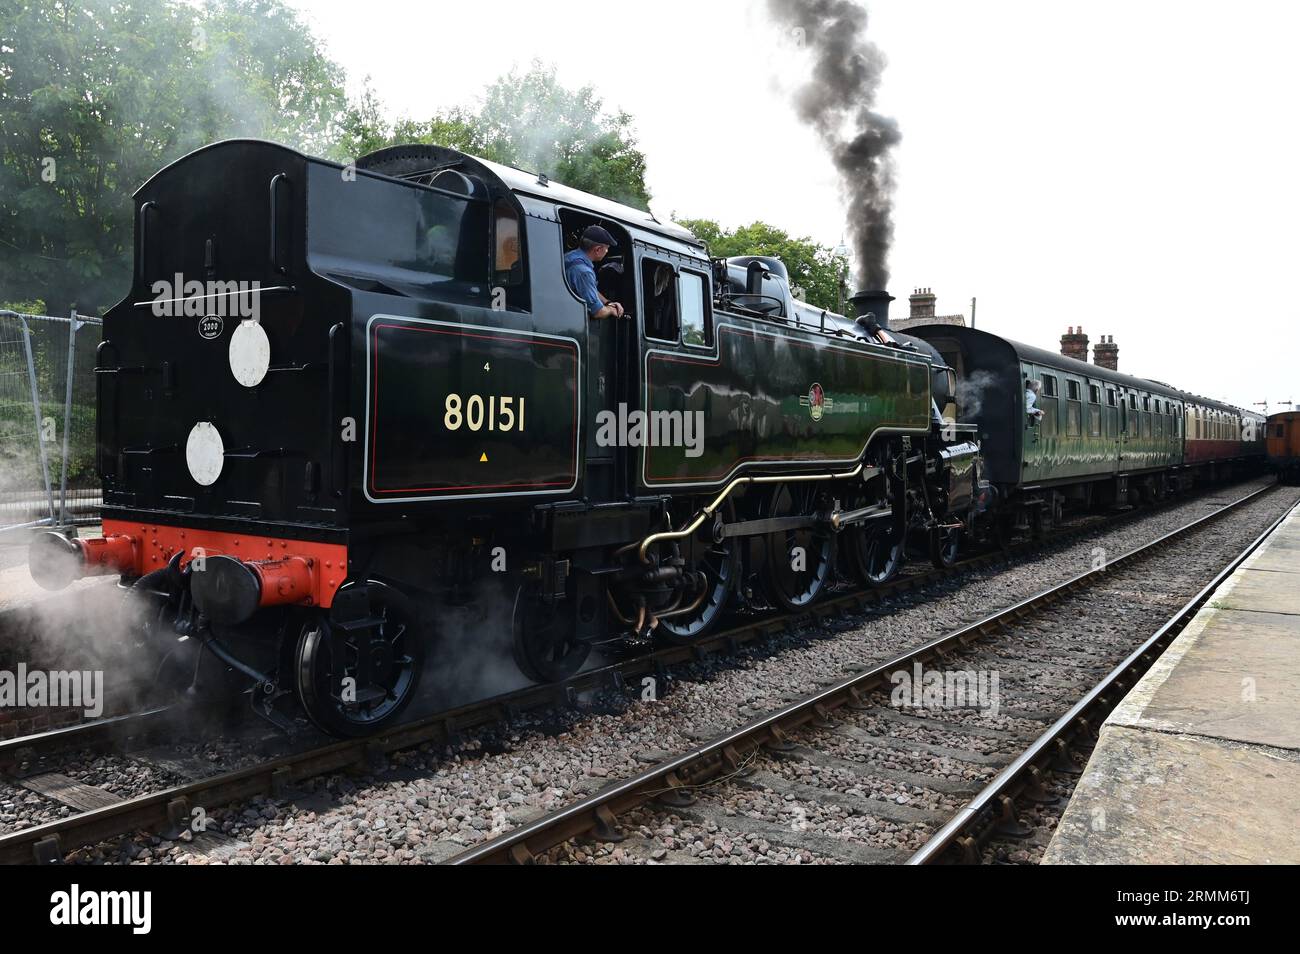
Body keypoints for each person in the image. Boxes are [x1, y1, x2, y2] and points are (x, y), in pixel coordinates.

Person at [564, 225, 626, 319]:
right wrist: (611, 310)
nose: (607, 251)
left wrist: (607, 302)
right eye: (607, 248)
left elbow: (589, 288)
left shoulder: (569, 257)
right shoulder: (584, 272)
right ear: (597, 250)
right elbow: (598, 312)